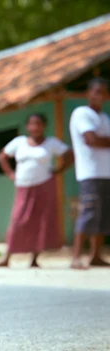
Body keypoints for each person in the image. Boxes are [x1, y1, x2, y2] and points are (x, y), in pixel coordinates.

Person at [0, 113, 71, 268]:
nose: (35, 127)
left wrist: (59, 170)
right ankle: (7, 257)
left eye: (38, 124)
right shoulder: (19, 142)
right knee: (18, 219)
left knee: (40, 221)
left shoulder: (51, 143)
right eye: (32, 124)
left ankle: (34, 259)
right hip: (23, 185)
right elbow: (2, 156)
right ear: (27, 126)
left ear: (44, 126)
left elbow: (69, 155)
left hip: (44, 185)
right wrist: (10, 173)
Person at [69, 77, 110, 269]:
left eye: (104, 92)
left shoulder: (104, 118)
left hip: (106, 172)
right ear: (88, 94)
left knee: (103, 214)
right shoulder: (82, 113)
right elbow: (91, 140)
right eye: (96, 91)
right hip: (90, 172)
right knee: (89, 212)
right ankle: (76, 257)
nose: (100, 96)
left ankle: (95, 256)